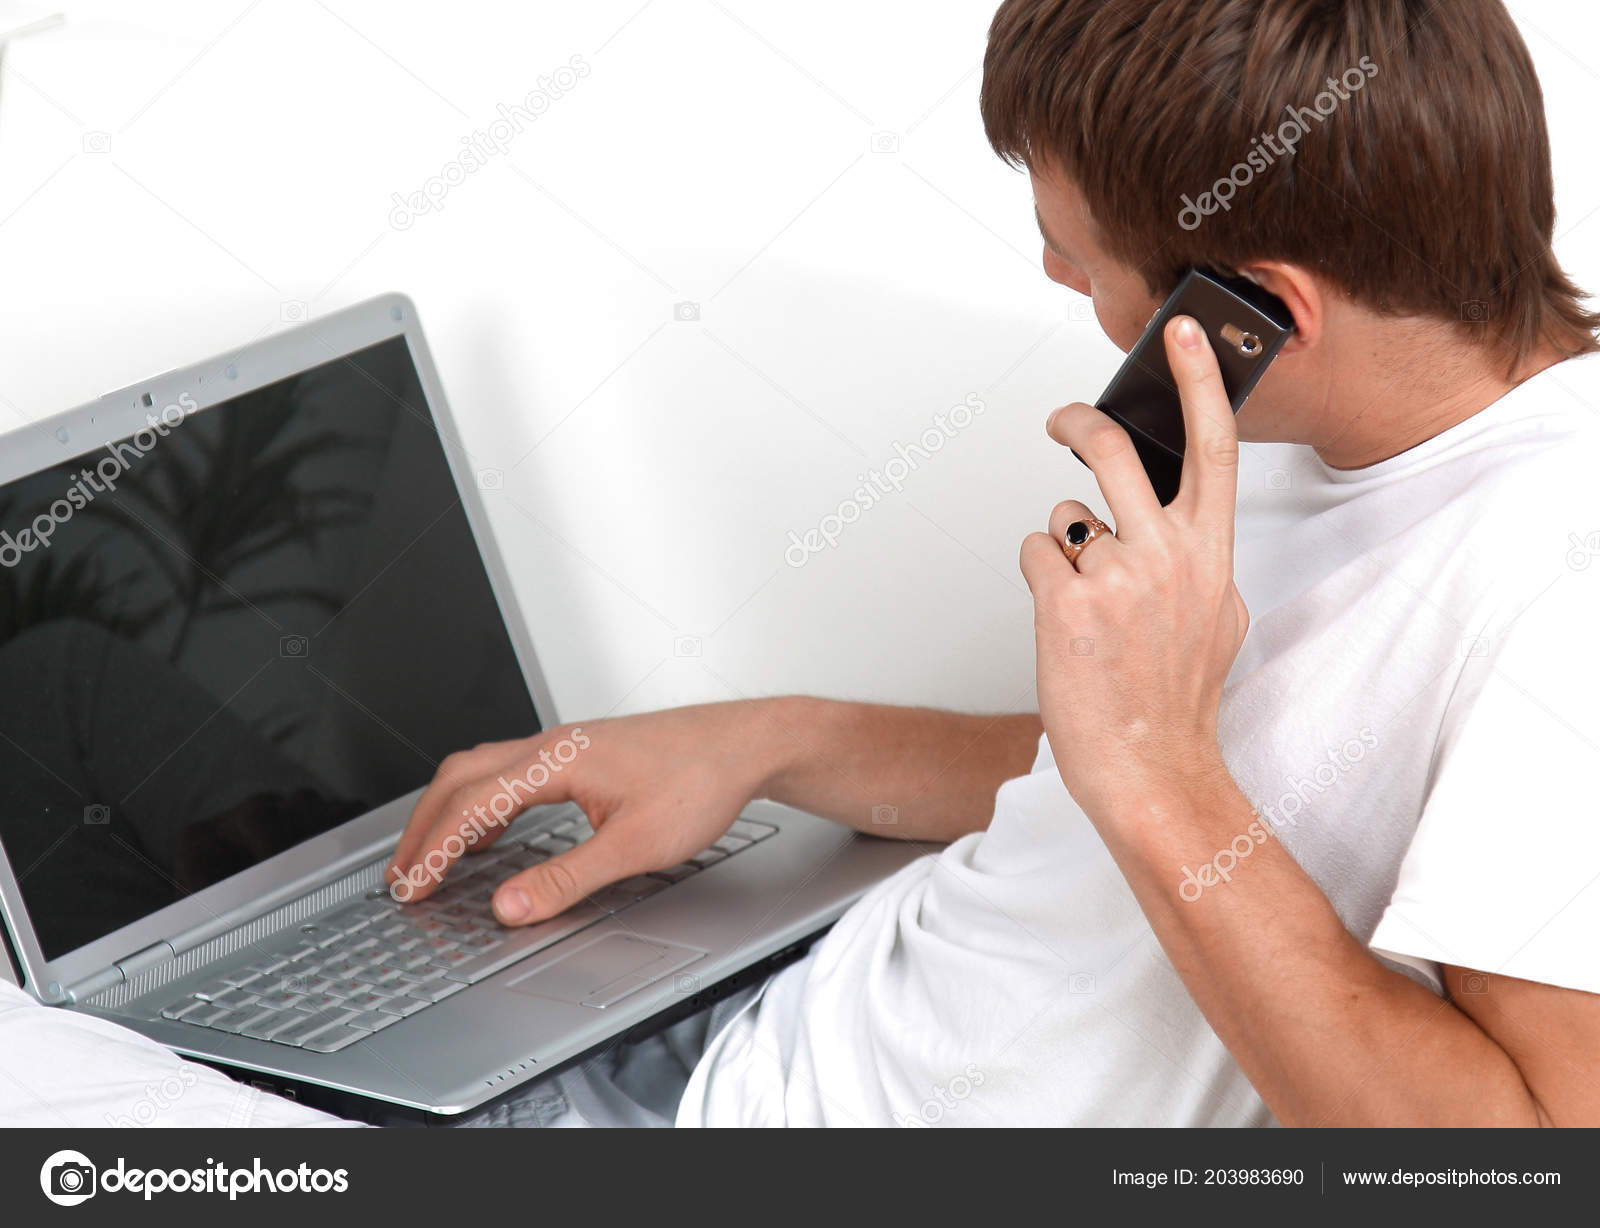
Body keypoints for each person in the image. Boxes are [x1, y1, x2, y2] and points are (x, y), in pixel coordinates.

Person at [7, 0, 1600, 1128]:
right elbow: (1167, 788)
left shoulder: (1557, 591)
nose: (1054, 270)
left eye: (1080, 251)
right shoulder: (1338, 437)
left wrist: (1161, 771)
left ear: (1263, 305)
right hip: (743, 1032)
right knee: (70, 678)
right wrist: (771, 737)